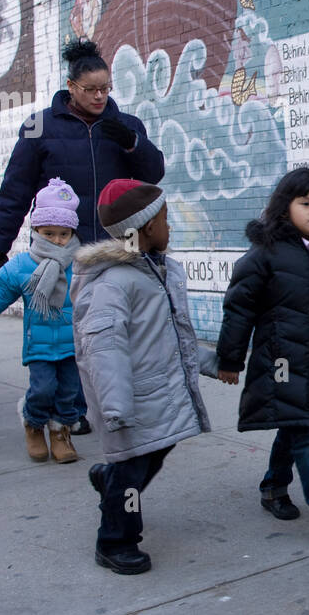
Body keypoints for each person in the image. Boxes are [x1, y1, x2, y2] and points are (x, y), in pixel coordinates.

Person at [73, 179, 218, 574]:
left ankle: (107, 480)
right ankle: (115, 541)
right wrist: (115, 405)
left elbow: (172, 336)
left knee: (153, 453)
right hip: (128, 399)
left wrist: (209, 363)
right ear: (147, 226)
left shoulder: (160, 271)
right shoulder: (114, 282)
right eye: (166, 219)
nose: (171, 227)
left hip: (157, 393)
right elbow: (104, 347)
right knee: (132, 470)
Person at [216, 167, 309, 539]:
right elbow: (240, 307)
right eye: (306, 203)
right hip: (279, 363)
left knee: (296, 423)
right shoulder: (266, 254)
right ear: (285, 208)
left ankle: (273, 486)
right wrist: (231, 358)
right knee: (306, 428)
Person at [0, 38, 164, 274]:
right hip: (59, 251)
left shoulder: (127, 126)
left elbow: (153, 176)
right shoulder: (40, 127)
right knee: (60, 311)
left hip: (117, 250)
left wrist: (133, 144)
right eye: (90, 90)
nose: (99, 96)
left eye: (105, 88)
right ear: (71, 86)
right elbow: (15, 192)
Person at [0, 179, 87, 464]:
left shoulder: (82, 263)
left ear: (72, 232)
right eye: (49, 233)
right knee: (43, 389)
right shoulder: (23, 265)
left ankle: (60, 432)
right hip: (40, 346)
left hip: (73, 344)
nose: (57, 240)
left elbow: (102, 296)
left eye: (63, 234)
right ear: (35, 230)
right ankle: (33, 424)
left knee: (69, 391)